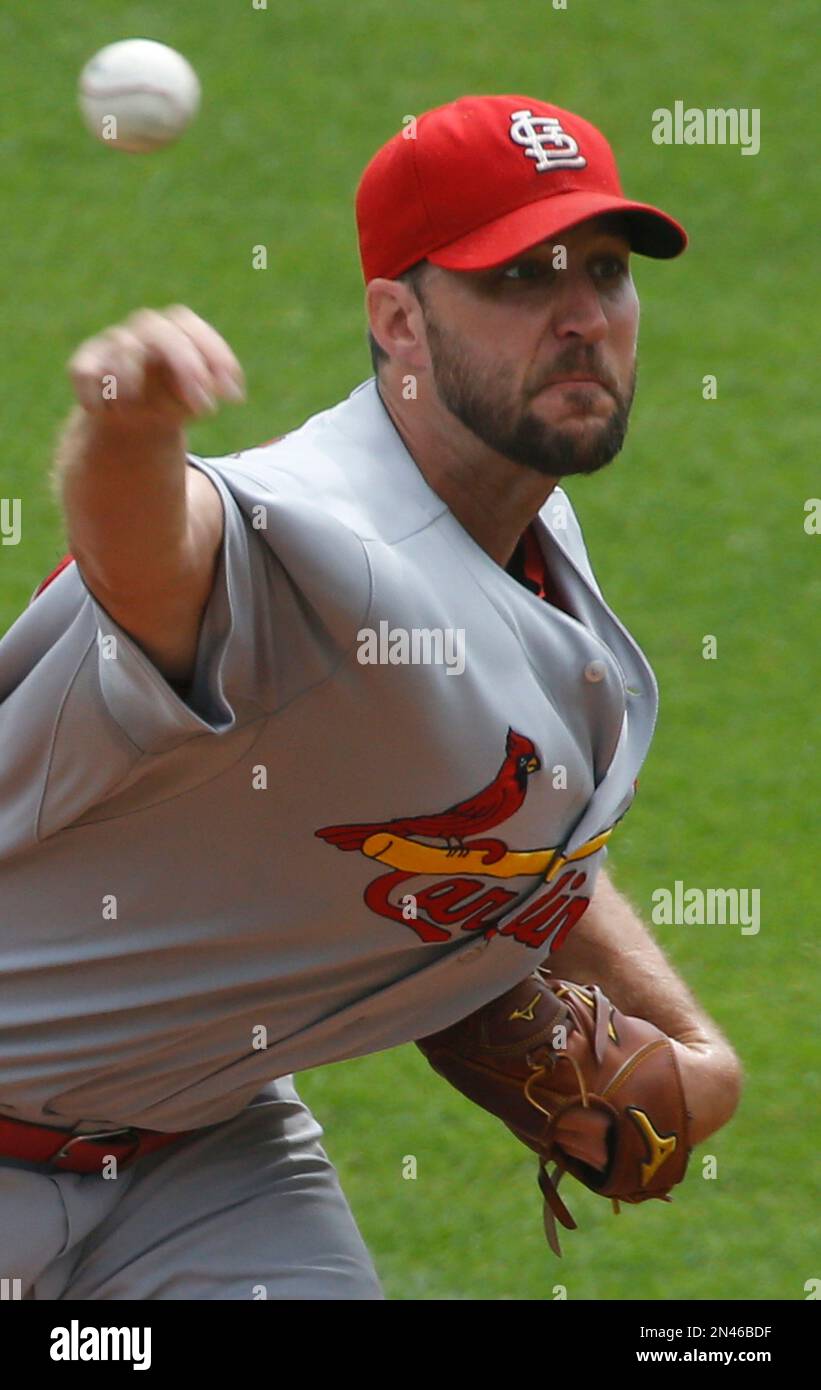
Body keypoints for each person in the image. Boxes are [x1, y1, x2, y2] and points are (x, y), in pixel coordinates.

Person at [0, 95, 741, 1301]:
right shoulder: (314, 540)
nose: (579, 318)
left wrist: (693, 1046)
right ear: (397, 319)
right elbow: (158, 555)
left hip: (204, 1150)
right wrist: (125, 427)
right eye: (518, 276)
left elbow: (510, 812)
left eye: (603, 272)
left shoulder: (520, 504)